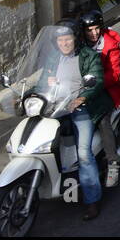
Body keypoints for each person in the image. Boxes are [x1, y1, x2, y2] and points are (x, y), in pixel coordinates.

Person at [47, 23, 111, 220]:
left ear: (75, 39)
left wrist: (82, 97)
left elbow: (97, 80)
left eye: (68, 39)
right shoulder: (53, 58)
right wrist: (30, 93)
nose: (64, 43)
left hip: (82, 108)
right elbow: (42, 81)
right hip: (56, 108)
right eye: (60, 40)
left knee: (83, 153)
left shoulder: (88, 55)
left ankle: (92, 200)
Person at [80, 9, 120, 188]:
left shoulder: (110, 44)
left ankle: (113, 162)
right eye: (89, 30)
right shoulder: (79, 44)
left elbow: (115, 73)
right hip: (79, 90)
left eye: (96, 29)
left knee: (102, 119)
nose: (94, 33)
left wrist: (94, 84)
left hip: (106, 90)